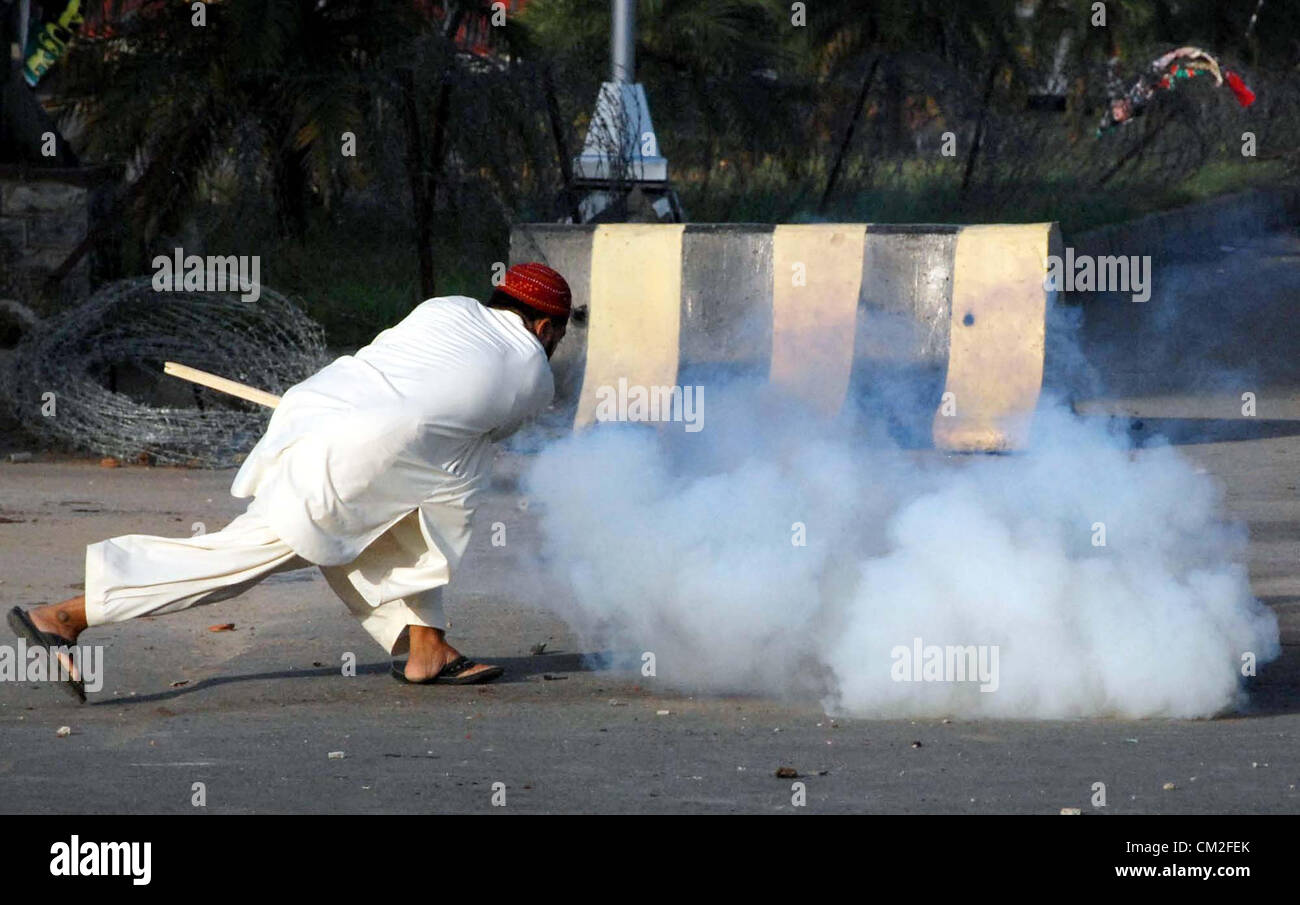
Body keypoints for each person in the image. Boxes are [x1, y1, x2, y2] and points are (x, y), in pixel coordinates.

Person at [7, 262, 572, 702]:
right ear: (545, 328)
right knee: (235, 562)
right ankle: (65, 616)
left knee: (418, 507)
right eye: (556, 338)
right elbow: (488, 433)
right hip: (351, 465)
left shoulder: (447, 307)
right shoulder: (532, 371)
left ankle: (427, 648)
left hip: (321, 417)